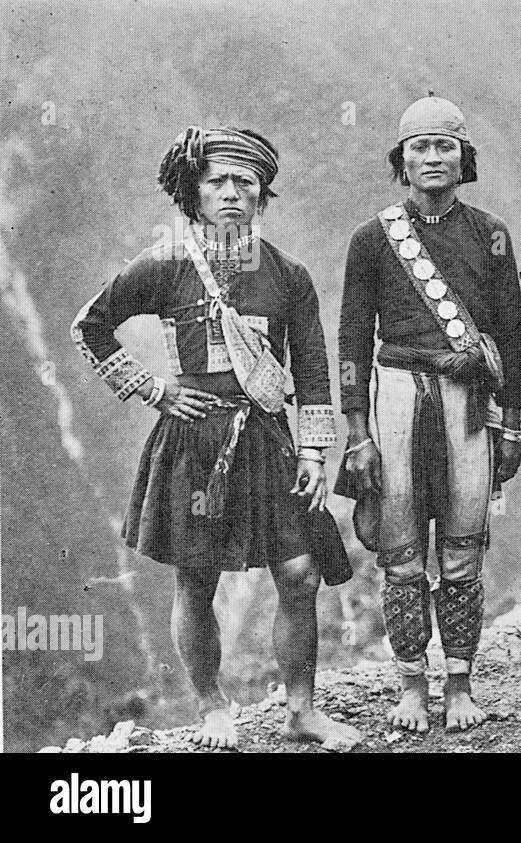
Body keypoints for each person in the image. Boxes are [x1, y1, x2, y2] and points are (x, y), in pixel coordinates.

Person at [71, 126, 359, 750]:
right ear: (194, 193)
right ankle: (212, 708)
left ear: (262, 196)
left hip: (268, 438)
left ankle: (301, 710)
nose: (231, 193)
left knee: (300, 572)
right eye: (217, 182)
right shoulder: (166, 265)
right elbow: (90, 326)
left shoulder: (286, 274)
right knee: (196, 578)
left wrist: (312, 449)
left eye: (245, 184)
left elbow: (311, 365)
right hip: (194, 441)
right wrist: (156, 391)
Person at [336, 96, 521, 733]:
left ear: (463, 157)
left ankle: (461, 683)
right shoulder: (372, 239)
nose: (433, 157)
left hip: (468, 406)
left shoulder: (491, 234)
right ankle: (412, 686)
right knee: (401, 550)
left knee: (465, 546)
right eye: (420, 146)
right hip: (393, 398)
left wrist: (511, 423)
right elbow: (352, 339)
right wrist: (356, 432)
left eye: (445, 145)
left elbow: (510, 335)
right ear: (402, 159)